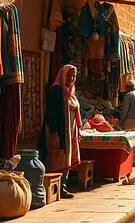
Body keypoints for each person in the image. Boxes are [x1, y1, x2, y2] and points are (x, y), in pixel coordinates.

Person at [40, 65, 81, 198]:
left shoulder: (70, 91)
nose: (71, 79)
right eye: (68, 76)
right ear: (62, 75)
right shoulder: (56, 91)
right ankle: (56, 188)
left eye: (73, 76)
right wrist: (54, 132)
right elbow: (51, 114)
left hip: (70, 132)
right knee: (57, 159)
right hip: (59, 132)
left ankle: (63, 186)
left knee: (67, 158)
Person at [119, 79, 135, 166]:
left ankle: (127, 162)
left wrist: (121, 121)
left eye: (126, 87)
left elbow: (124, 110)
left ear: (129, 87)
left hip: (130, 120)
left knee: (126, 141)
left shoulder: (128, 95)